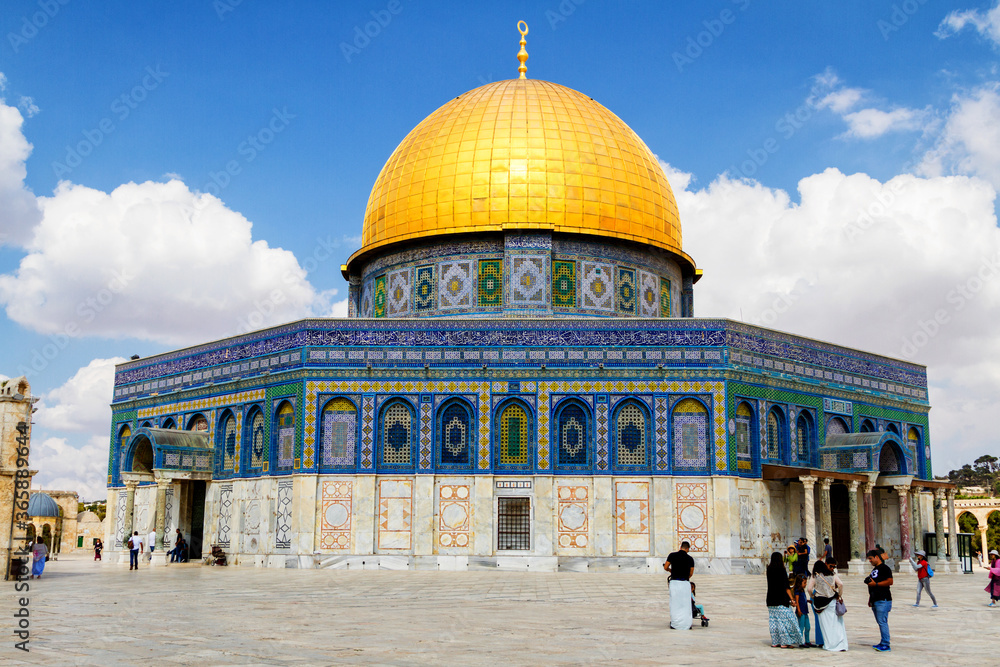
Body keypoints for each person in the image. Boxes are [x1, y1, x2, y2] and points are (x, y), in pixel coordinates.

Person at [807, 560, 848, 652]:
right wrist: (839, 594)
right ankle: (840, 644)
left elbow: (809, 588)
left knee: (825, 626)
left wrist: (813, 596)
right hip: (832, 602)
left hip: (820, 603)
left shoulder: (815, 576)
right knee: (836, 624)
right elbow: (840, 584)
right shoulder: (832, 574)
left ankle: (829, 644)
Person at [766, 552, 803, 648]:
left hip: (770, 599)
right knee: (787, 621)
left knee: (774, 621)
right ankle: (785, 642)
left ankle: (775, 642)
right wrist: (792, 599)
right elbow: (786, 587)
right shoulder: (781, 570)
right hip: (781, 599)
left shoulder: (769, 569)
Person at [866, 548, 893, 652]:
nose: (870, 560)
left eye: (871, 558)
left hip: (883, 599)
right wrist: (870, 599)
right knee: (880, 622)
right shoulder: (875, 570)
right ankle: (883, 641)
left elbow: (890, 581)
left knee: (882, 622)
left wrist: (876, 584)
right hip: (875, 599)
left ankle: (886, 644)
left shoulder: (885, 568)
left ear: (877, 557)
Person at [663, 541, 695, 630]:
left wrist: (671, 571)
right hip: (685, 583)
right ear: (688, 548)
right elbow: (691, 573)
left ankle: (675, 623)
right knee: (685, 604)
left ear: (680, 547)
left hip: (674, 583)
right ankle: (687, 623)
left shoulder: (672, 555)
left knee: (675, 604)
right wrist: (685, 576)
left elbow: (665, 567)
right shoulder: (690, 559)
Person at [793, 574, 812, 648]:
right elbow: (797, 601)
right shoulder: (797, 590)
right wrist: (799, 610)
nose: (806, 584)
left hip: (805, 611)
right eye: (804, 583)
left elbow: (802, 599)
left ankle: (807, 641)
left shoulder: (802, 590)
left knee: (808, 627)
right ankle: (801, 641)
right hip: (801, 611)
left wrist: (807, 601)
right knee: (801, 627)